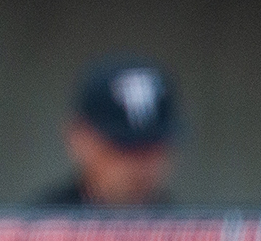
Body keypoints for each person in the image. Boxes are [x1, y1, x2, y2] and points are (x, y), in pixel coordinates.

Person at [37, 55, 182, 207]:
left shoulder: (188, 226)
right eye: (123, 146)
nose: (139, 166)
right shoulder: (35, 227)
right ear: (78, 138)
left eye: (152, 148)